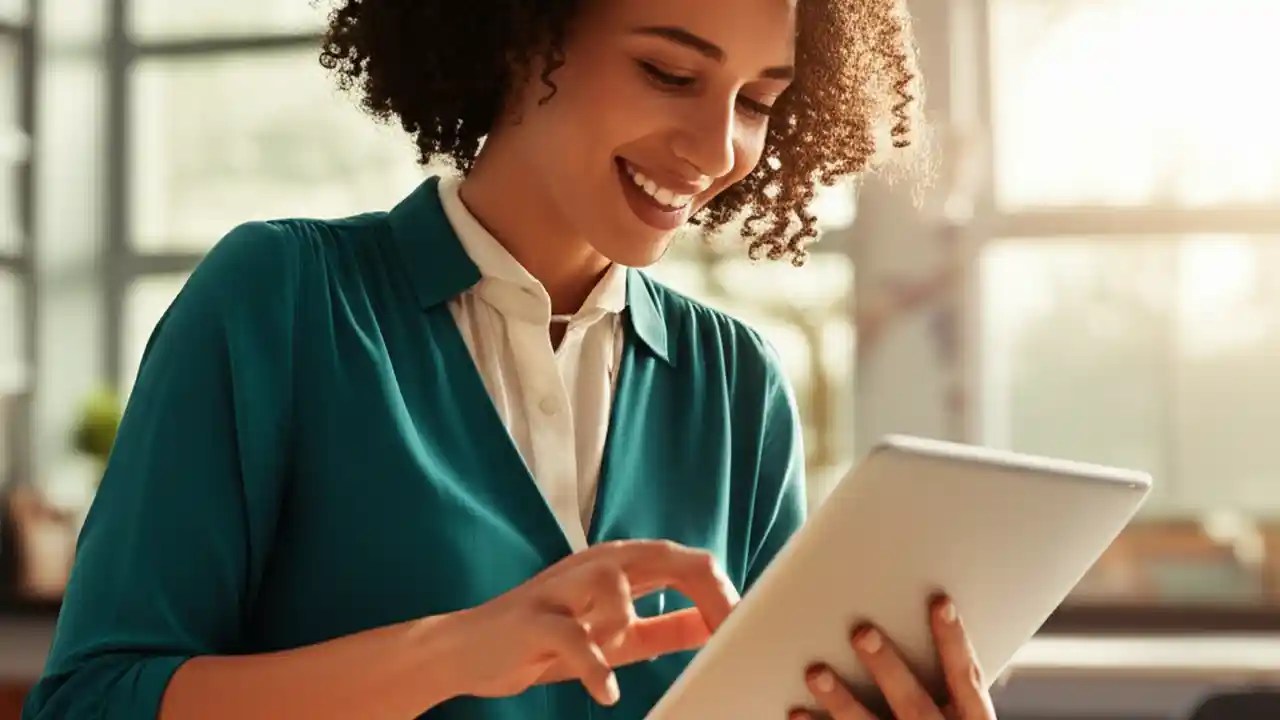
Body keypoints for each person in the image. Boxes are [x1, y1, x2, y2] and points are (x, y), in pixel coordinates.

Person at [24, 0, 997, 718]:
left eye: (757, 100)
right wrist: (453, 652)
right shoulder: (280, 302)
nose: (717, 148)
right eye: (669, 73)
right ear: (520, 31)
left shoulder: (735, 384)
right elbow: (95, 701)